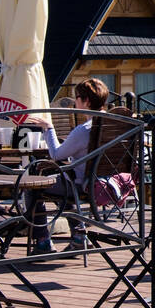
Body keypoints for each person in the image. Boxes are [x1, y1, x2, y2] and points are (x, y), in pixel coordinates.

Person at [23, 77, 109, 253]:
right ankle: (79, 237)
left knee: (32, 186)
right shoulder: (114, 125)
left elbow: (56, 154)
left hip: (83, 185)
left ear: (85, 101)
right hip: (106, 183)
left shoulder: (84, 130)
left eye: (77, 97)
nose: (74, 101)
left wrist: (48, 128)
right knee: (65, 180)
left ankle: (42, 241)